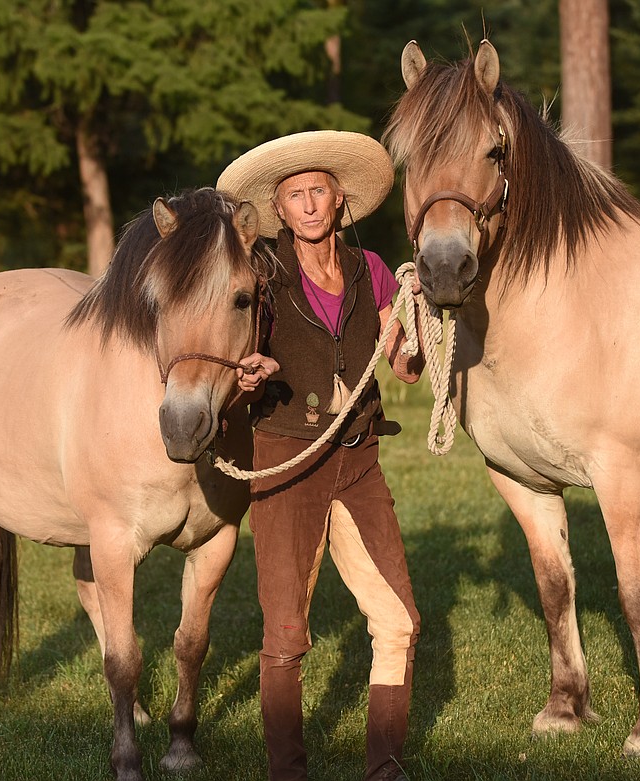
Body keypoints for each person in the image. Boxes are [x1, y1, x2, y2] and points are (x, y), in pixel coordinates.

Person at [217, 130, 424, 781]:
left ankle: (384, 765)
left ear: (340, 201)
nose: (308, 205)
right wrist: (245, 374)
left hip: (359, 462)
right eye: (295, 195)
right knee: (285, 636)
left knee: (399, 622)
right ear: (280, 208)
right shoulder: (258, 274)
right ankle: (288, 771)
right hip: (286, 462)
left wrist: (412, 326)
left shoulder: (375, 270)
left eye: (319, 192)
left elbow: (408, 369)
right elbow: (229, 356)